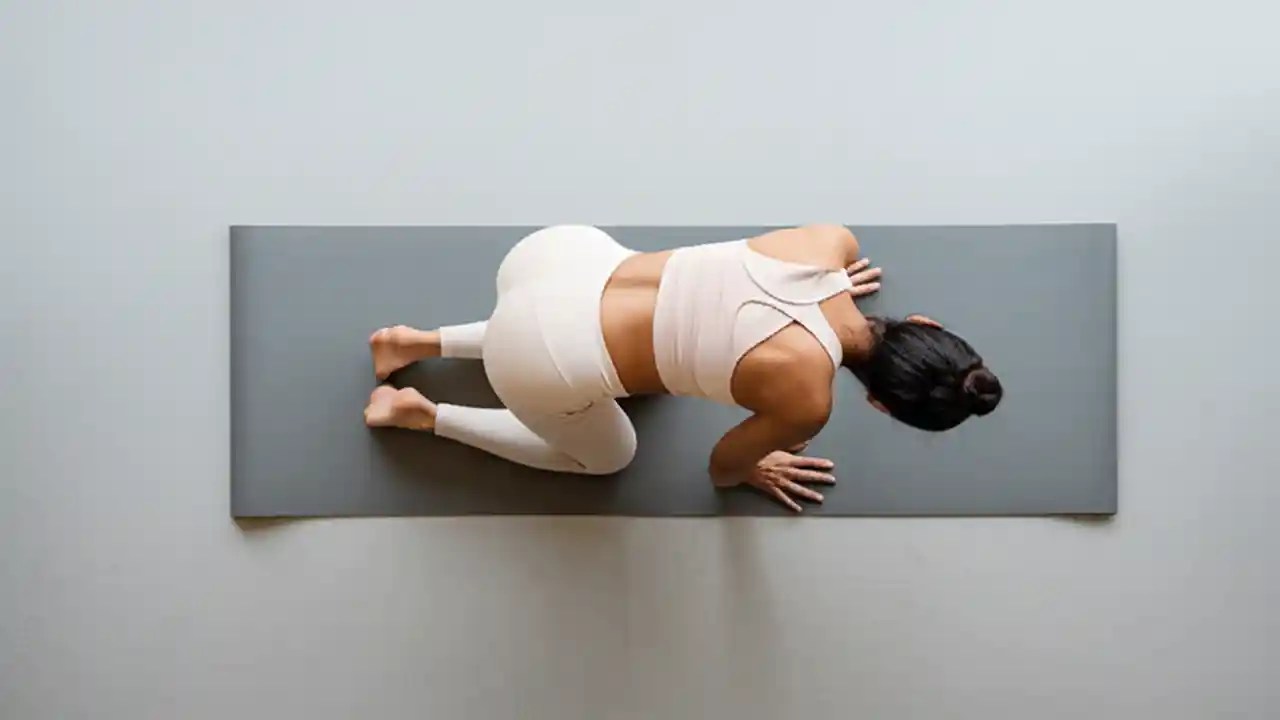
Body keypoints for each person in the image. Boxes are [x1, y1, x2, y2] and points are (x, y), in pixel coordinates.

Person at [363, 224, 1002, 512]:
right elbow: (722, 470)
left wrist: (836, 286)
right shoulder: (808, 398)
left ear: (924, 324)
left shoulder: (831, 242)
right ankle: (423, 415)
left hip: (551, 254)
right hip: (529, 359)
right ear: (881, 405)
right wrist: (758, 462)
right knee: (610, 457)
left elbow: (766, 293)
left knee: (593, 309)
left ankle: (415, 342)